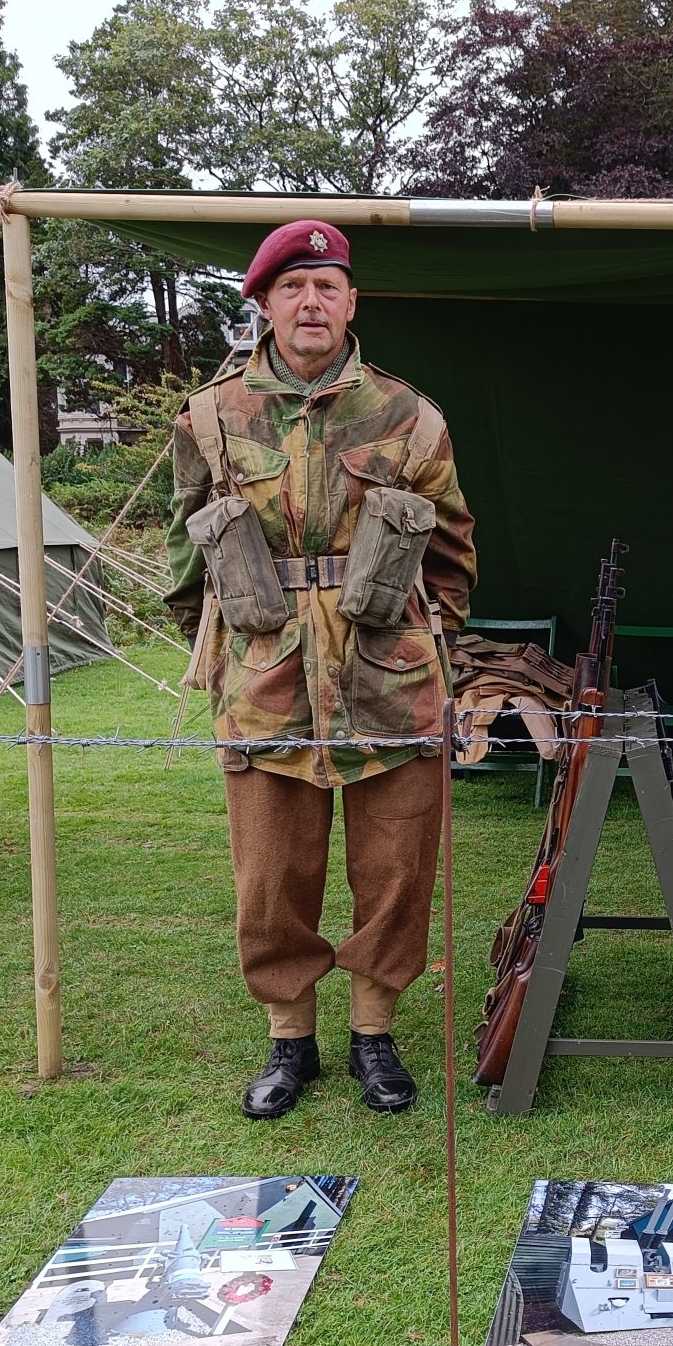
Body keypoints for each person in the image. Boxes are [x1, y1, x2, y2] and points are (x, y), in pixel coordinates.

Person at [165, 219, 476, 1120]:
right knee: (271, 877)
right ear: (264, 302)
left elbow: (452, 551)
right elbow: (186, 549)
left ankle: (375, 1033)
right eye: (293, 287)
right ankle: (289, 1040)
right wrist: (223, 648)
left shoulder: (408, 415)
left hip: (391, 679)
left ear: (351, 303)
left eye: (328, 286)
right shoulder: (212, 414)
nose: (312, 302)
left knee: (395, 869)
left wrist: (426, 643)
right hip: (265, 682)